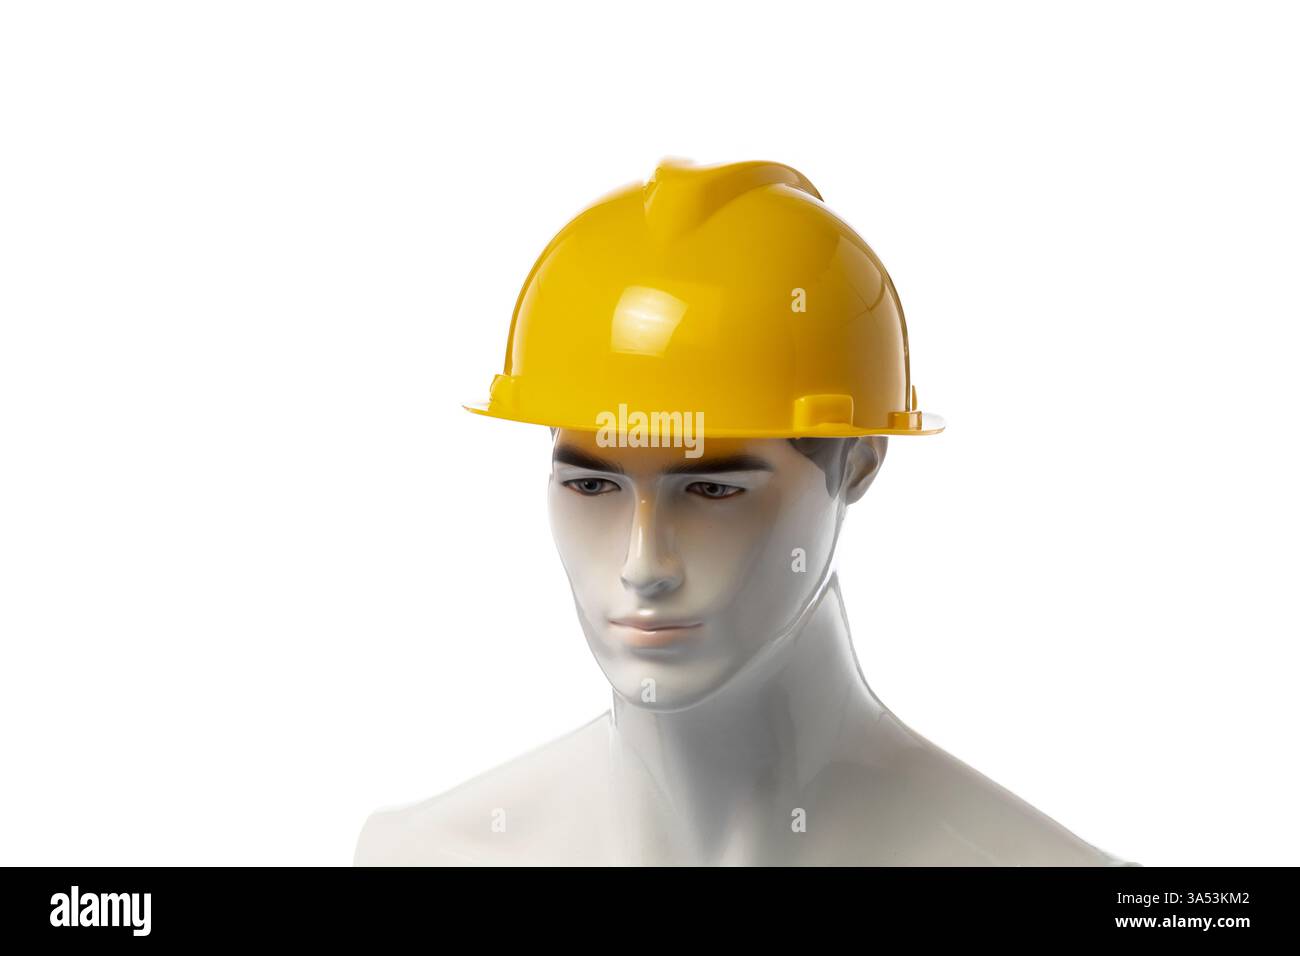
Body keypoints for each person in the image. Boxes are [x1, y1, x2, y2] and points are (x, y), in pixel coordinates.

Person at [354, 160, 1136, 866]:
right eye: (592, 486)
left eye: (713, 490)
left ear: (858, 460)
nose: (643, 564)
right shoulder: (424, 856)